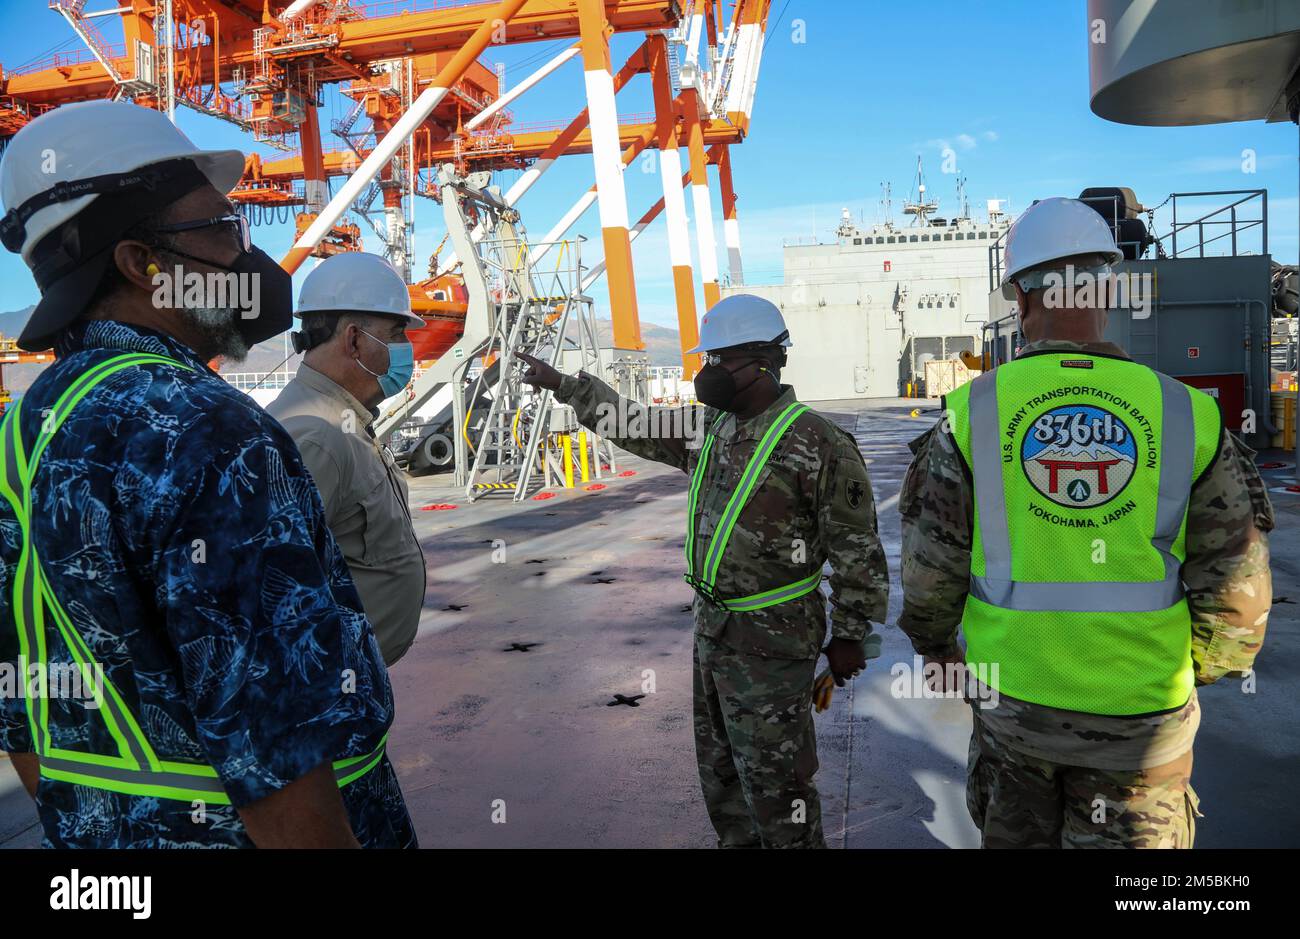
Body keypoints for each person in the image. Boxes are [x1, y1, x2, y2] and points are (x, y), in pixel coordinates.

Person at [0, 100, 415, 848]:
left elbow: (15, 702)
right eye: (222, 230)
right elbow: (278, 743)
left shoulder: (16, 435)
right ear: (140, 262)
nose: (243, 259)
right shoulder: (209, 427)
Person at [898, 197, 1273, 848]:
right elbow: (1239, 601)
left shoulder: (973, 412)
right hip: (1142, 723)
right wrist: (1195, 667)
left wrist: (936, 650)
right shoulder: (1187, 414)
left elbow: (932, 570)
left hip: (1011, 709)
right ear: (1109, 286)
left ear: (1020, 295)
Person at [519, 294, 889, 848]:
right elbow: (632, 422)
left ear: (764, 361)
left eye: (720, 360)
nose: (706, 372)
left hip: (774, 641)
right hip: (713, 633)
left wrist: (852, 635)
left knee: (777, 785)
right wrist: (563, 383)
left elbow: (858, 549)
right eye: (706, 359)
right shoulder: (708, 428)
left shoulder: (818, 443)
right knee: (722, 778)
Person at [267, 253, 427, 666]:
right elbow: (272, 590)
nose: (406, 350)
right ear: (355, 340)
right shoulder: (315, 436)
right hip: (330, 686)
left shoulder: (342, 417)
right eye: (396, 334)